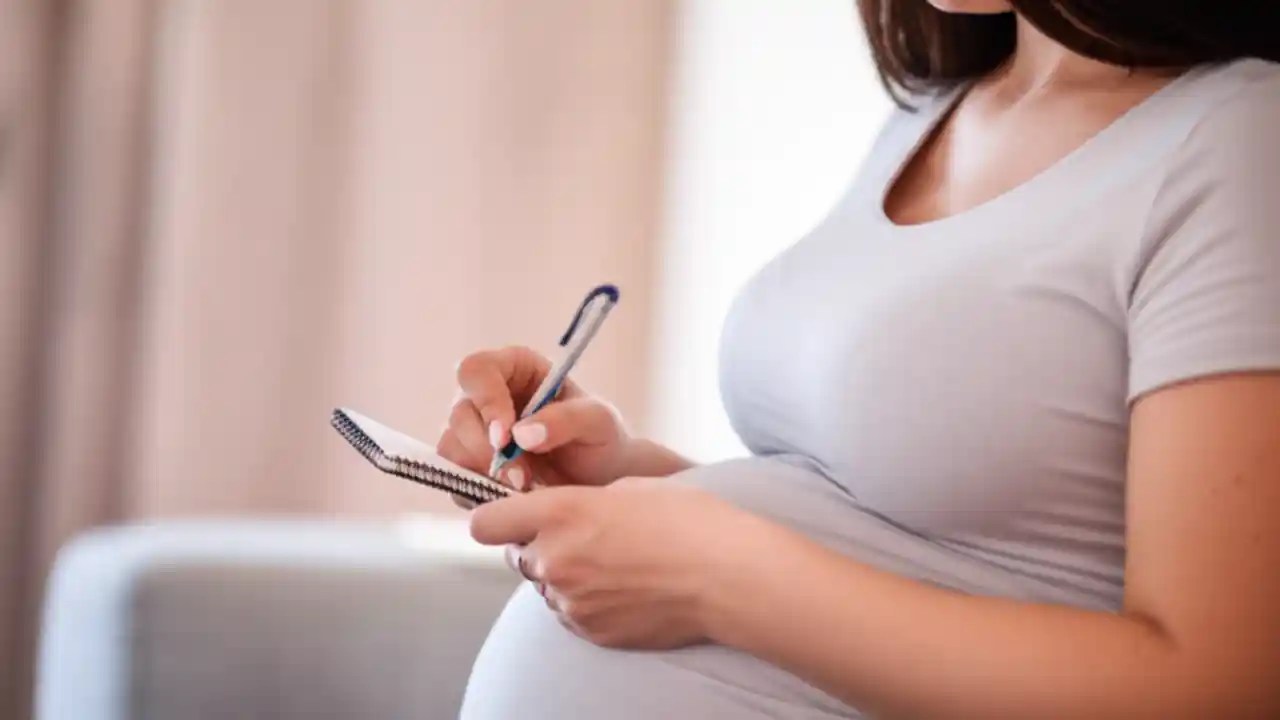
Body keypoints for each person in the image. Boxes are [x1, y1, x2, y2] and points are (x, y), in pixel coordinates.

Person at [439, 1, 1280, 717]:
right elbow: (908, 536)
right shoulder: (937, 110)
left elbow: (1217, 684)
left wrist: (715, 578)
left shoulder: (1242, 137)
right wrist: (630, 479)